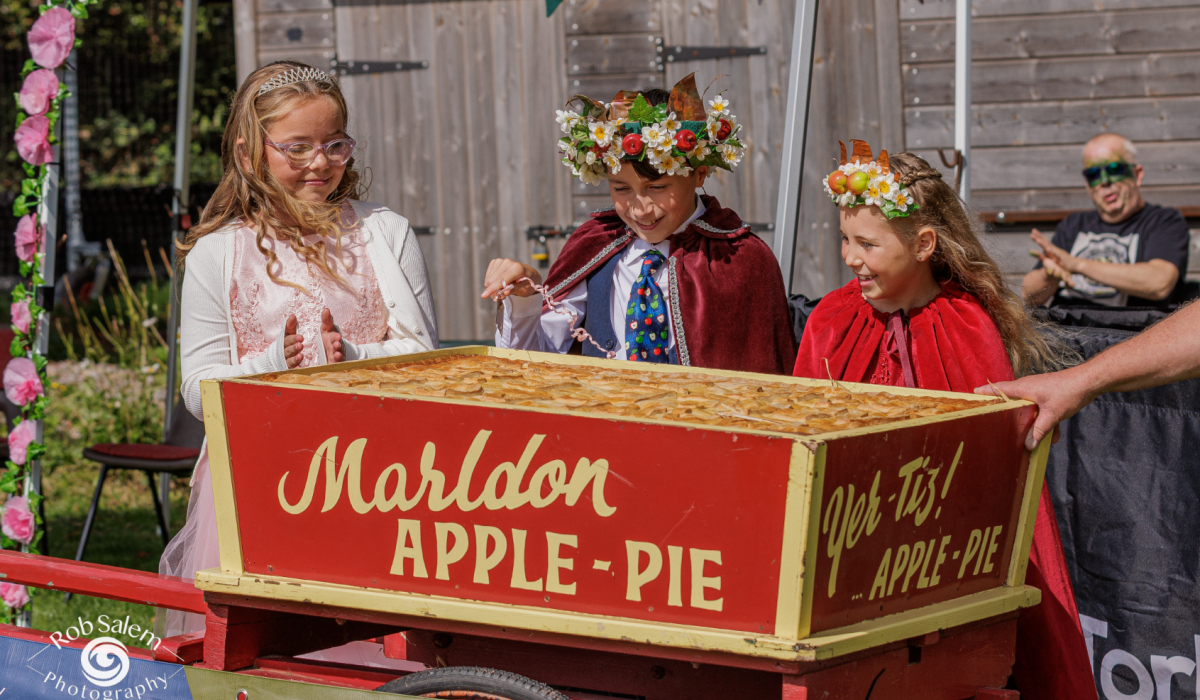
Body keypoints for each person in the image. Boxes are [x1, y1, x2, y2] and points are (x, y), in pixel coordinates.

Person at [794, 141, 1095, 700]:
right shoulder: (830, 321)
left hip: (942, 556)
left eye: (867, 244)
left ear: (923, 244)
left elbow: (991, 463)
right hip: (848, 548)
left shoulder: (965, 325)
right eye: (844, 240)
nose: (850, 257)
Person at [160, 61, 438, 635]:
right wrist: (271, 366)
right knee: (268, 643)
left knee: (368, 636)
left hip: (375, 472)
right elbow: (197, 388)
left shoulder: (384, 232)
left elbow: (425, 359)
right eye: (298, 148)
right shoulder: (220, 252)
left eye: (335, 144)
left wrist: (354, 360)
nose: (320, 163)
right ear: (248, 152)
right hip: (259, 476)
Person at [480, 74, 795, 374]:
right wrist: (525, 301)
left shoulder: (742, 258)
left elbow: (766, 371)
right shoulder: (595, 246)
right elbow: (532, 363)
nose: (640, 208)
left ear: (699, 173)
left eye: (657, 188)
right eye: (621, 188)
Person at [1024, 133, 1189, 308]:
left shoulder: (1163, 221)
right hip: (1067, 329)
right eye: (1093, 174)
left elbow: (1159, 283)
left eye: (1115, 169)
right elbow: (1029, 297)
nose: (1104, 182)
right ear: (1088, 185)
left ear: (1137, 175)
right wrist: (1049, 275)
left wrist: (1077, 265)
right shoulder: (1073, 225)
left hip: (1127, 332)